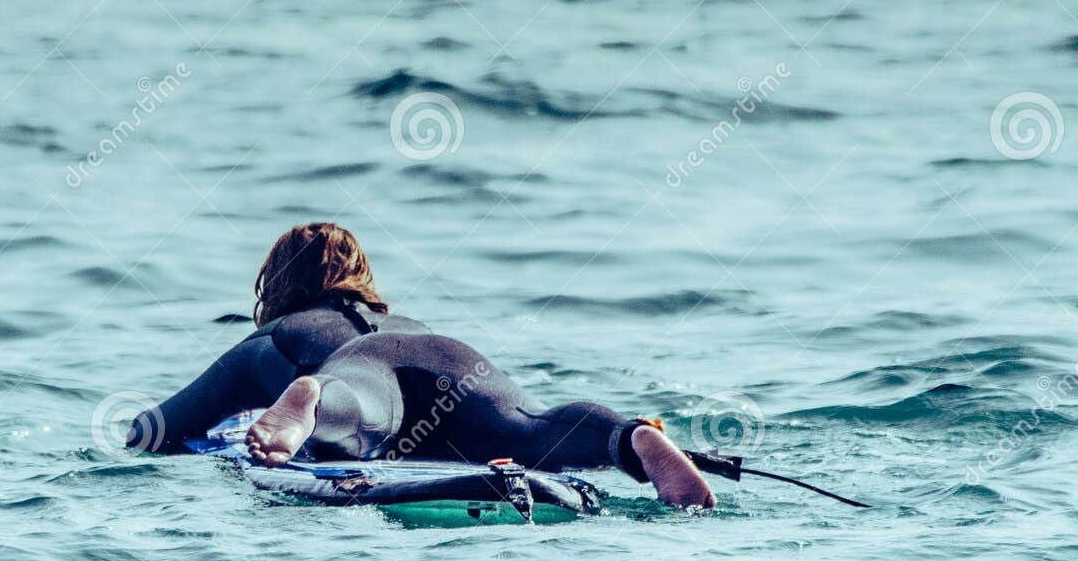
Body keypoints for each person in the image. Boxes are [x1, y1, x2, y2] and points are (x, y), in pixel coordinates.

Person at [128, 222, 715, 508]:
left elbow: (156, 430)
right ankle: (629, 436)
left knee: (351, 407)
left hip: (354, 373)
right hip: (455, 361)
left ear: (273, 286)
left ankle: (308, 399)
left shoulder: (279, 336)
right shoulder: (404, 324)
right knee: (531, 426)